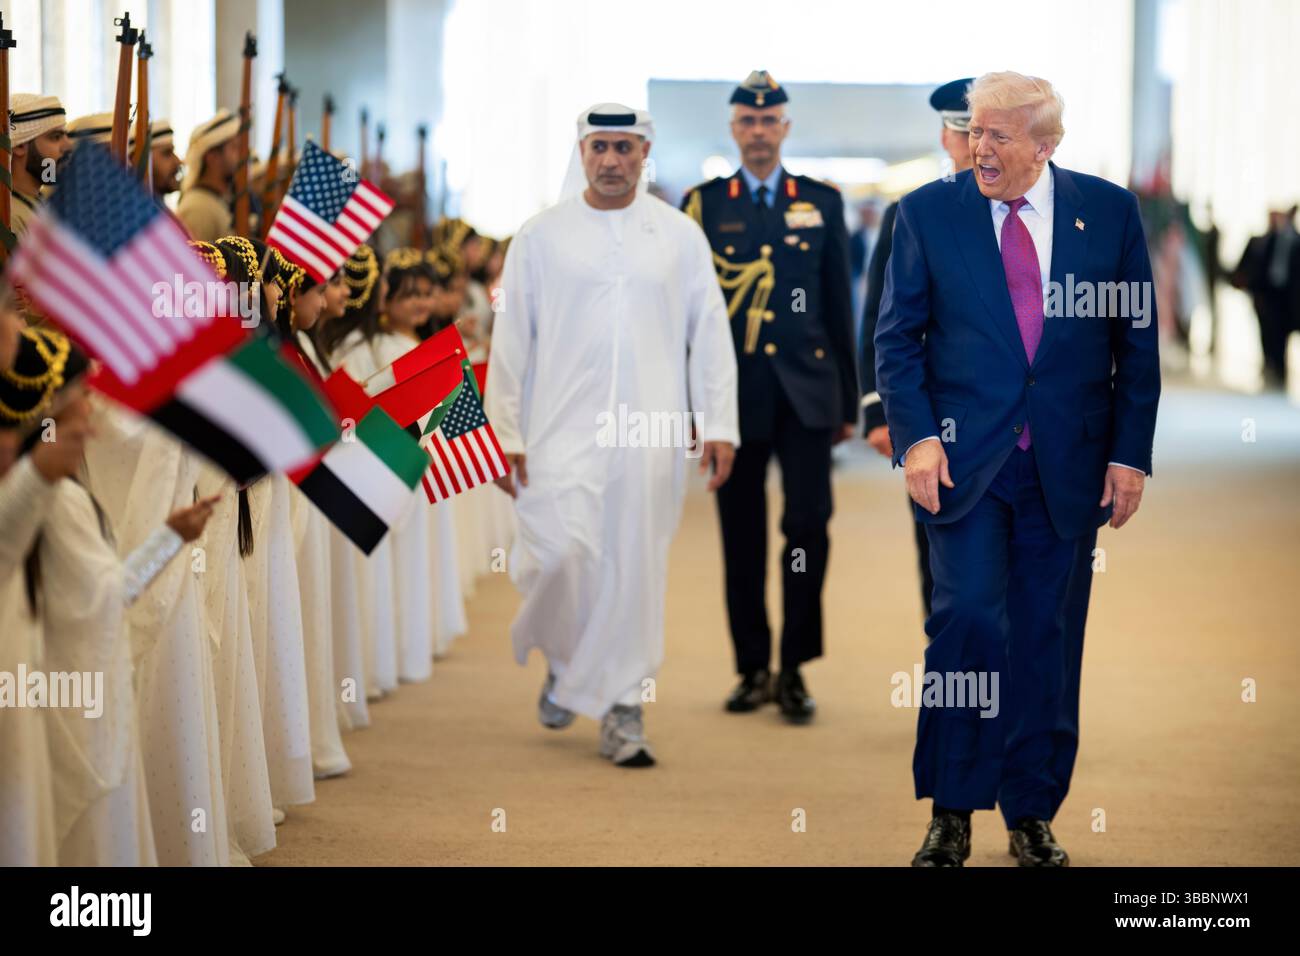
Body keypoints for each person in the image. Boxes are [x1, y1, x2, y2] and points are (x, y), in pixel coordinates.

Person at [874, 71, 1161, 867]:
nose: (979, 148)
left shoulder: (1108, 212)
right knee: (965, 622)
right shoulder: (929, 214)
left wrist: (1130, 452)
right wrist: (917, 437)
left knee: (1046, 639)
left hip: (1067, 468)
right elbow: (897, 340)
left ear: (1046, 144)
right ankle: (951, 809)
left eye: (1000, 135)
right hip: (966, 465)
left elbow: (1135, 345)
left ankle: (1031, 810)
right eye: (974, 131)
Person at [486, 103, 738, 767]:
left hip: (651, 432)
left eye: (625, 148)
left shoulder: (679, 236)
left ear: (644, 153)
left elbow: (709, 332)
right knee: (562, 554)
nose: (611, 161)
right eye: (600, 147)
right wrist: (504, 430)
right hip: (558, 428)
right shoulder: (539, 237)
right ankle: (569, 662)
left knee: (633, 566)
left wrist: (718, 422)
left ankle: (623, 707)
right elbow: (511, 342)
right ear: (581, 150)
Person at [682, 71, 856, 723]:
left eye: (770, 121)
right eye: (748, 122)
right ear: (734, 129)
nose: (759, 132)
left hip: (809, 396)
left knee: (808, 527)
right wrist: (693, 407)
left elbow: (840, 303)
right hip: (735, 397)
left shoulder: (821, 202)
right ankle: (752, 667)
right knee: (741, 533)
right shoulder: (702, 205)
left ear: (785, 128)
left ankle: (795, 668)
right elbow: (688, 317)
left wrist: (848, 400)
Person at [860, 77, 976, 622]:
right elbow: (880, 322)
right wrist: (879, 411)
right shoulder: (912, 213)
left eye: (987, 132)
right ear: (945, 137)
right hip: (932, 417)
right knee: (940, 557)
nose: (976, 145)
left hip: (1015, 419)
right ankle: (949, 675)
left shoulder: (1035, 219)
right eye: (964, 132)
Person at [1231, 207, 1299, 388]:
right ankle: (1270, 365)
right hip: (1267, 296)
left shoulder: (1293, 241)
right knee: (1268, 333)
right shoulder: (1263, 241)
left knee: (1281, 336)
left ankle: (1279, 369)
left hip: (1286, 298)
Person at [8, 94, 71, 239]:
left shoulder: (39, 201)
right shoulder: (10, 217)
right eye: (55, 137)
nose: (68, 146)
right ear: (19, 146)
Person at [176, 110, 241, 242]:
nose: (241, 156)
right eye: (234, 148)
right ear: (212, 157)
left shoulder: (214, 200)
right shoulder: (198, 208)